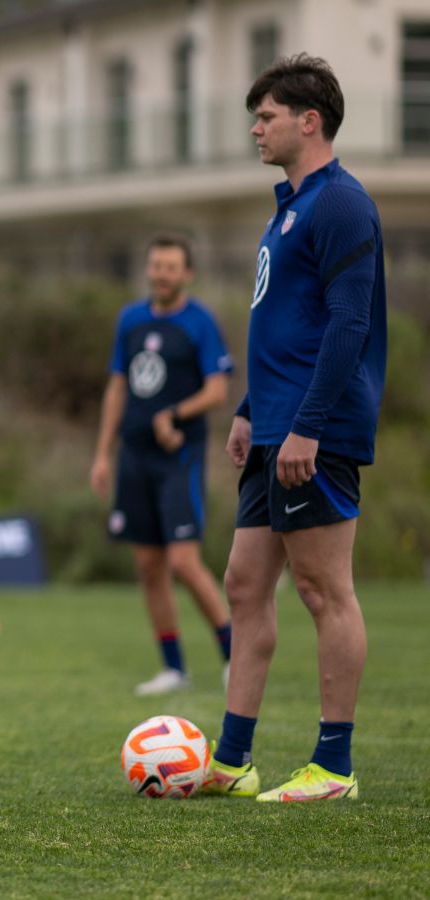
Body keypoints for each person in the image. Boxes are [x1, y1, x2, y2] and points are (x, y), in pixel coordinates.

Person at [202, 54, 386, 802]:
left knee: (322, 591)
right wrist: (251, 411)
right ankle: (234, 760)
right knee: (245, 587)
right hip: (274, 427)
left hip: (317, 431)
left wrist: (308, 426)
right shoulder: (288, 208)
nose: (257, 127)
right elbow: (284, 326)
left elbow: (348, 324)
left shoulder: (342, 203)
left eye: (268, 115)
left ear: (308, 121)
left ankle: (334, 768)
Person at [89, 234, 234, 696]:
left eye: (170, 267)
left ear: (186, 273)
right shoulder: (130, 320)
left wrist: (175, 415)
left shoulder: (199, 322)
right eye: (155, 265)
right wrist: (102, 454)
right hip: (134, 458)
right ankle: (174, 668)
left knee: (185, 563)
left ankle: (234, 657)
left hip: (180, 458)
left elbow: (217, 390)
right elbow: (117, 388)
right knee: (149, 566)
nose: (161, 274)